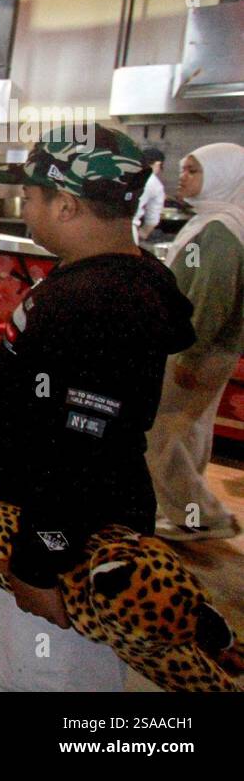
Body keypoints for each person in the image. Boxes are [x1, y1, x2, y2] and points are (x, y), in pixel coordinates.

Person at [0, 126, 196, 691]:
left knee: (42, 677)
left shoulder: (97, 303)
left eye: (31, 197)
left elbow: (81, 450)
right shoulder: (112, 278)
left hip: (72, 553)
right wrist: (7, 383)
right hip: (56, 528)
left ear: (66, 204)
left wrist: (39, 565)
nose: (26, 207)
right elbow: (65, 401)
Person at [146, 143, 244, 542]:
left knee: (160, 432)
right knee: (186, 433)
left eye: (192, 171)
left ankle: (202, 516)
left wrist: (191, 354)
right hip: (205, 348)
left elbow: (209, 296)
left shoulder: (220, 231)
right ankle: (187, 512)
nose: (181, 177)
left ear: (221, 176)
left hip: (196, 348)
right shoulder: (218, 221)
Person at [133, 146, 166, 242]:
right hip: (128, 232)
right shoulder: (155, 183)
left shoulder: (124, 171)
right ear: (158, 163)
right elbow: (152, 220)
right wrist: (143, 234)